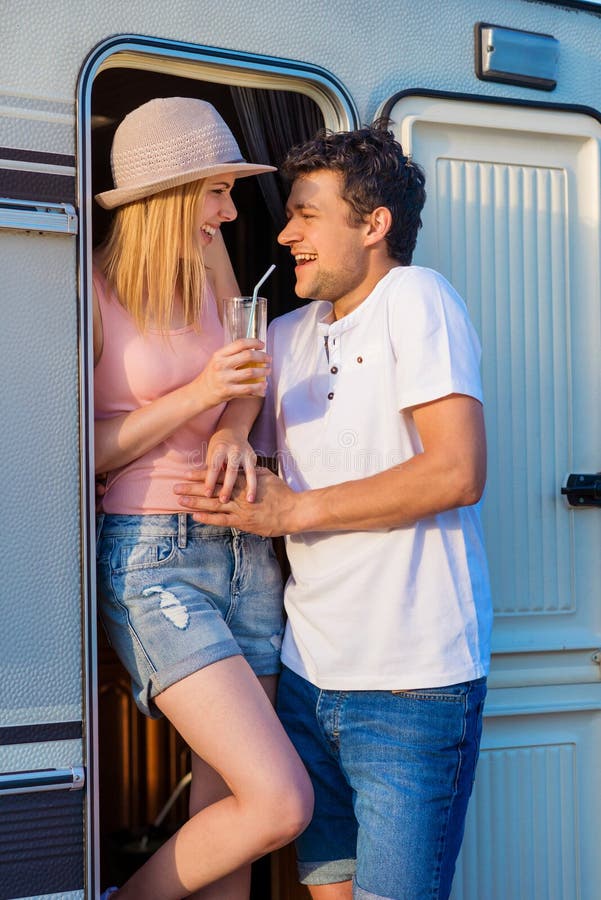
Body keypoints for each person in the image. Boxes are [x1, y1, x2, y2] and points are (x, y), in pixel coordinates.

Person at [175, 122, 493, 900]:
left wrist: (293, 510)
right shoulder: (286, 333)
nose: (285, 236)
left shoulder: (415, 299)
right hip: (307, 675)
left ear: (373, 224)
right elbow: (244, 422)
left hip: (411, 685)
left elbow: (455, 472)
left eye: (305, 214)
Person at [93, 96, 313, 900]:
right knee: (280, 801)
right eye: (216, 191)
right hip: (154, 555)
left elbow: (246, 372)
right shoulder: (89, 288)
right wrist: (196, 400)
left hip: (249, 550)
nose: (229, 210)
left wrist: (232, 427)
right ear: (171, 195)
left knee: (234, 817)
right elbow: (83, 449)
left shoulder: (215, 259)